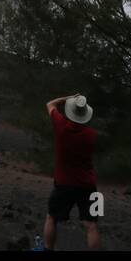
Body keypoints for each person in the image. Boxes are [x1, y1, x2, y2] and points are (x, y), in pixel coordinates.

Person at [43, 93, 101, 250]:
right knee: (92, 225)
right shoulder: (92, 135)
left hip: (63, 183)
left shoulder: (61, 126)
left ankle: (48, 249)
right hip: (89, 185)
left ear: (70, 111)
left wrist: (67, 98)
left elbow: (50, 104)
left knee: (51, 218)